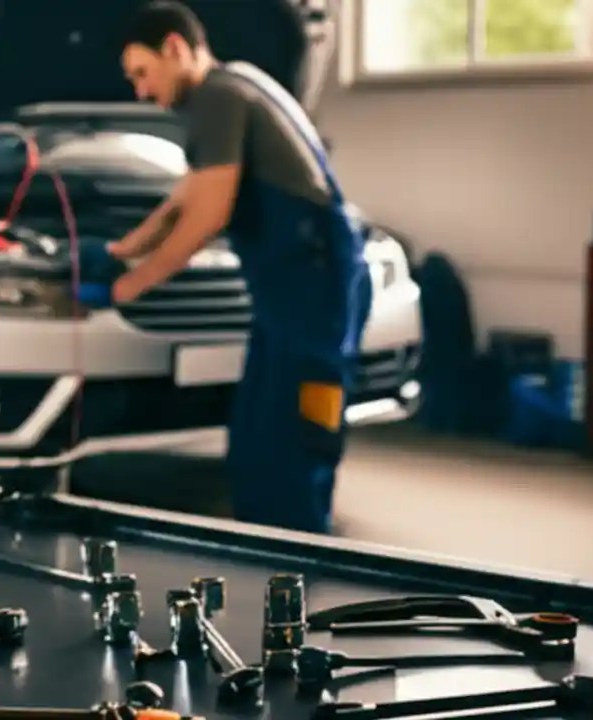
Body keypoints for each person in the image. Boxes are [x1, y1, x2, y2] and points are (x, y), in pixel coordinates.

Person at [109, 1, 373, 534]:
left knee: (297, 434)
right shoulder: (234, 85)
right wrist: (123, 249)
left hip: (316, 282)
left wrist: (132, 285)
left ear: (175, 49)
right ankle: (264, 544)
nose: (140, 91)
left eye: (142, 73)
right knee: (257, 432)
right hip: (291, 287)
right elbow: (187, 195)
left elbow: (208, 213)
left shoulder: (219, 97)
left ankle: (303, 554)